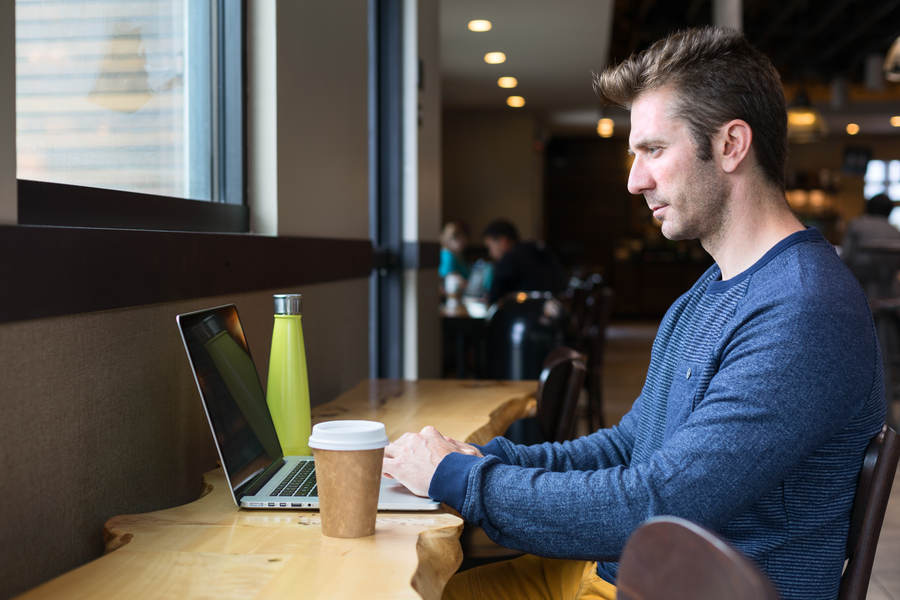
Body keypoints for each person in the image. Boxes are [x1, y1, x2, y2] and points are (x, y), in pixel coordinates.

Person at [382, 26, 884, 600]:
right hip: (614, 575)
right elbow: (628, 447)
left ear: (731, 145)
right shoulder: (710, 292)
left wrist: (460, 479)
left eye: (654, 150)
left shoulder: (803, 310)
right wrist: (479, 458)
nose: (634, 180)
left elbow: (656, 506)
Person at [482, 219, 567, 304]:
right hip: (556, 305)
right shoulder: (539, 250)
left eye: (490, 247)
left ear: (503, 241)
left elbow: (494, 295)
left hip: (526, 309)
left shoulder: (509, 258)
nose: (490, 253)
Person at [841, 193, 900, 297]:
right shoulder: (895, 231)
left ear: (867, 207)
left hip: (857, 288)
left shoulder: (856, 225)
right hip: (889, 291)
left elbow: (845, 257)